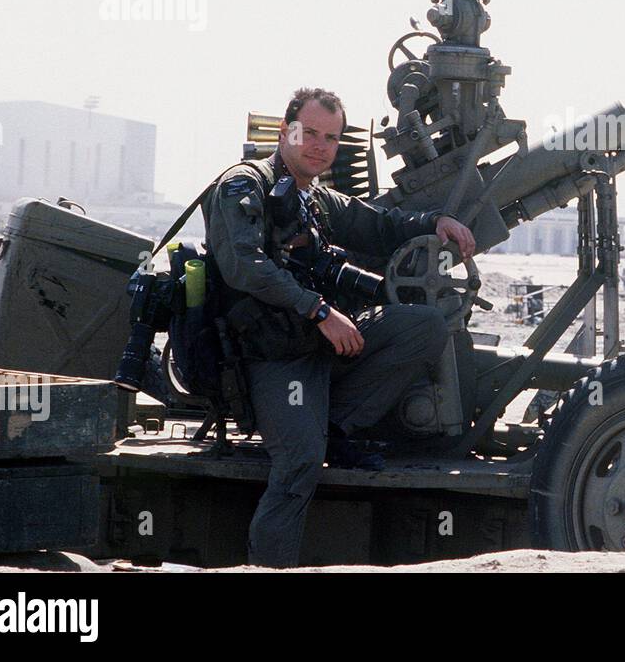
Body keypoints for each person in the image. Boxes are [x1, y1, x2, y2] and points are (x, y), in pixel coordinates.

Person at [201, 86, 476, 567]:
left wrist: (436, 223)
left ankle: (331, 423)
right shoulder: (245, 186)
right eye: (309, 134)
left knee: (424, 326)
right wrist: (320, 312)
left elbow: (378, 224)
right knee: (300, 464)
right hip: (272, 357)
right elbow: (244, 266)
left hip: (316, 345)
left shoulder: (315, 199)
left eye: (330, 138)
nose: (319, 147)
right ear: (285, 130)